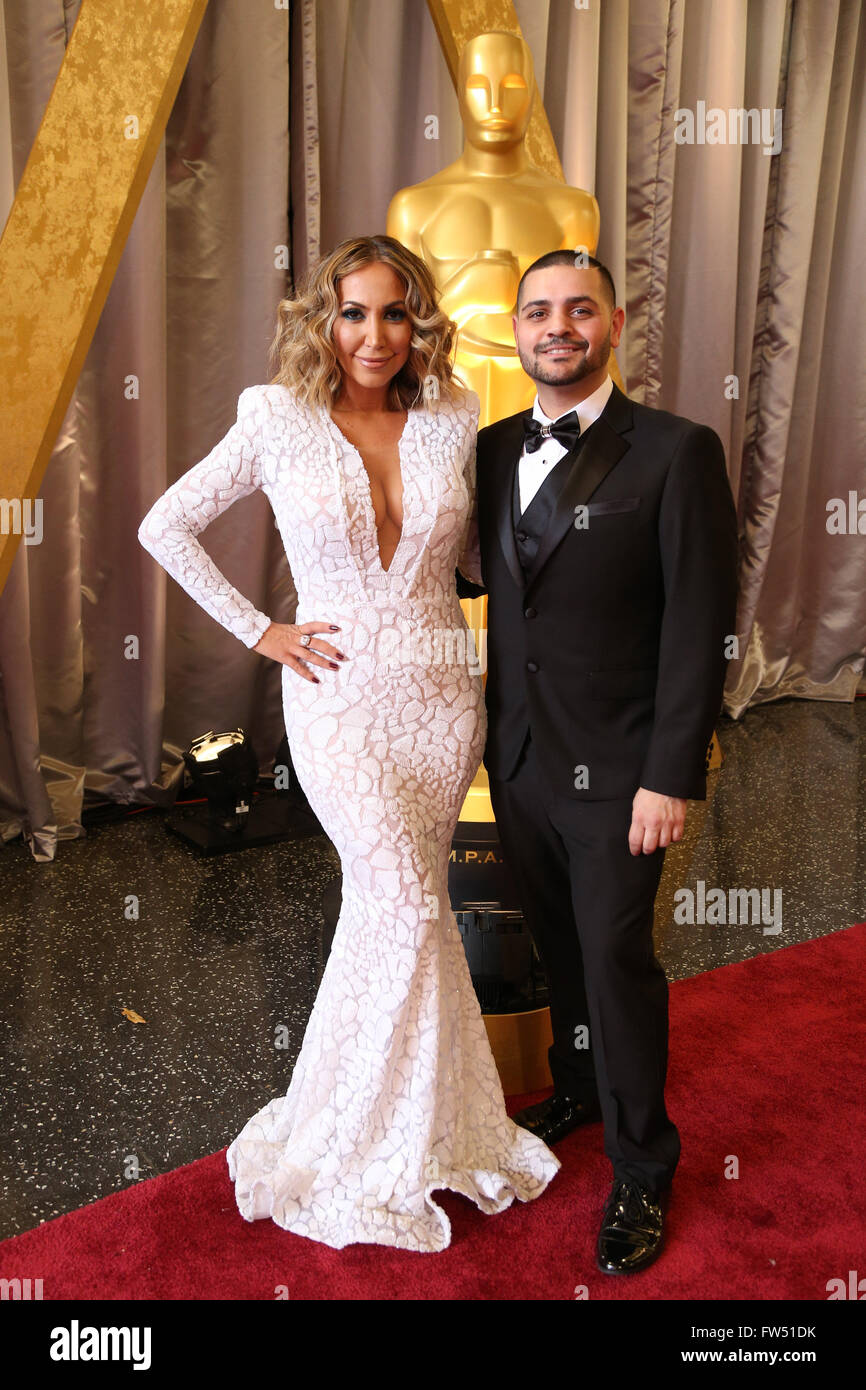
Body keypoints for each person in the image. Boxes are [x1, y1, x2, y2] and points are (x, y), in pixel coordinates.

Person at [137, 234, 559, 1253]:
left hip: (439, 694)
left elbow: (465, 554)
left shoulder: (453, 413)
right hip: (333, 698)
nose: (374, 334)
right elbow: (164, 523)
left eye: (394, 311)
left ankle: (427, 1124)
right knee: (411, 905)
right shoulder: (272, 415)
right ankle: (353, 1142)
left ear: (420, 324)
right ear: (324, 321)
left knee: (392, 912)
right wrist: (262, 631)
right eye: (354, 311)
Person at [456, 251, 738, 1273]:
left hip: (624, 768)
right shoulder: (488, 448)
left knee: (614, 959)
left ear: (613, 322)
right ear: (516, 329)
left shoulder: (674, 451)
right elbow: (482, 575)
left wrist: (672, 773)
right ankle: (575, 1085)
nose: (557, 326)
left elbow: (700, 625)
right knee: (558, 948)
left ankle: (641, 1166)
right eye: (538, 311)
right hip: (521, 756)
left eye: (578, 309)